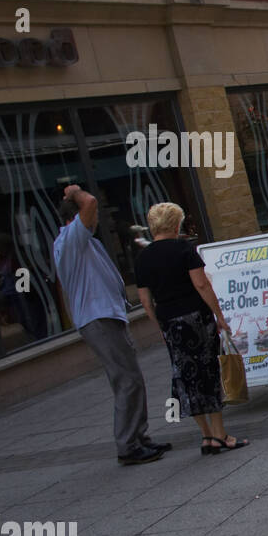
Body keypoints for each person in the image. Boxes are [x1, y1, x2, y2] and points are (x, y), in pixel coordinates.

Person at [53, 185, 168, 465]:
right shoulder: (71, 239)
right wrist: (76, 192)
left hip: (108, 316)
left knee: (132, 377)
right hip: (98, 318)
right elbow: (90, 201)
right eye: (90, 217)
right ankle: (128, 445)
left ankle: (138, 436)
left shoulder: (82, 240)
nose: (95, 220)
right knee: (126, 380)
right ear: (76, 217)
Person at [135, 202, 250, 457]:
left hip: (169, 321)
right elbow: (201, 285)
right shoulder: (184, 249)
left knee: (186, 377)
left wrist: (161, 326)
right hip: (195, 318)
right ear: (176, 224)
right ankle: (221, 435)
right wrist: (219, 316)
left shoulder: (143, 258)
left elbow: (145, 302)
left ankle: (206, 436)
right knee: (207, 372)